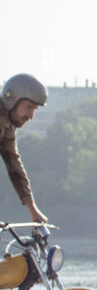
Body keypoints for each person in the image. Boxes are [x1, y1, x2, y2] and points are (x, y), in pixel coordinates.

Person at [2, 73, 49, 224]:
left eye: (34, 109)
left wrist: (33, 210)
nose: (31, 116)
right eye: (28, 108)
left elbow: (14, 166)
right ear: (11, 100)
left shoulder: (7, 128)